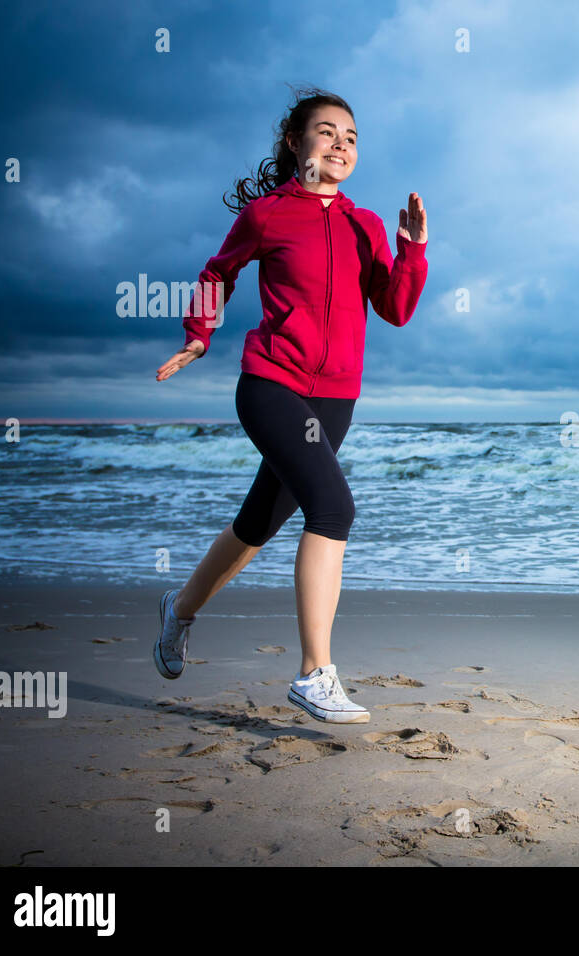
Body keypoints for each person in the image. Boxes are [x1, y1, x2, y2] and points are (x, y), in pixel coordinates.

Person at [152, 87, 429, 723]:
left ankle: (179, 610)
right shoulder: (268, 215)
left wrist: (411, 249)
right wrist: (200, 334)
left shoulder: (363, 225)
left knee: (258, 524)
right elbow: (217, 272)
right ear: (294, 142)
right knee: (333, 507)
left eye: (351, 137)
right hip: (272, 383)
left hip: (336, 398)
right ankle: (314, 673)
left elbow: (395, 308)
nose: (341, 144)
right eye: (327, 132)